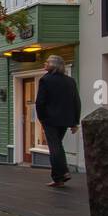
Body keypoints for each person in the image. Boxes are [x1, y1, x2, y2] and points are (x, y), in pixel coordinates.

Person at [35, 54, 81, 187]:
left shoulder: (46, 80)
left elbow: (40, 102)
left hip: (50, 119)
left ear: (53, 65)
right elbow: (76, 102)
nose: (45, 63)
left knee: (54, 147)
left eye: (47, 62)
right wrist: (74, 122)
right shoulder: (70, 81)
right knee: (57, 146)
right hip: (66, 120)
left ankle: (63, 173)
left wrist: (41, 118)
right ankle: (58, 179)